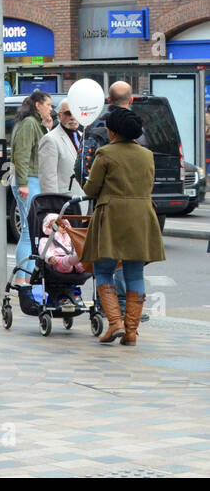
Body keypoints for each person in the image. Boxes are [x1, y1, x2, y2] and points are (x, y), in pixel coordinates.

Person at [82, 107, 165, 345]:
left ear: (113, 132)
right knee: (135, 273)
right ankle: (130, 332)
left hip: (112, 216)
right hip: (141, 216)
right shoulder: (147, 155)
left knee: (104, 270)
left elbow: (91, 189)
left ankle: (115, 323)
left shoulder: (105, 153)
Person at [10, 90, 53, 263]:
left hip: (32, 179)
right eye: (48, 105)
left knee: (32, 230)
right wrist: (23, 183)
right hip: (29, 179)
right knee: (29, 230)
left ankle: (25, 277)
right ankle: (23, 278)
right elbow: (22, 154)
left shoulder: (34, 123)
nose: (51, 109)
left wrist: (47, 128)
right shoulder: (29, 123)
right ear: (38, 105)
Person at [39, 99, 83, 197]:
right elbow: (47, 178)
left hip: (84, 199)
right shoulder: (50, 139)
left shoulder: (83, 136)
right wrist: (52, 204)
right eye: (68, 113)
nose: (72, 117)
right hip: (63, 201)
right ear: (59, 116)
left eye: (75, 112)